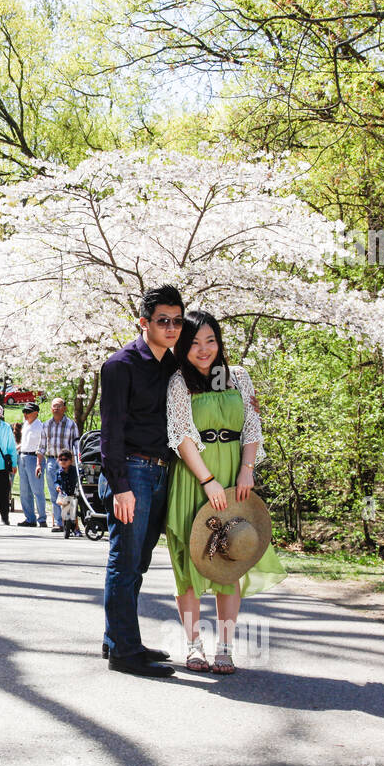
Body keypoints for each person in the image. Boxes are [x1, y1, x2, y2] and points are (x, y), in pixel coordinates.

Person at [165, 310, 285, 675]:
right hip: (195, 477)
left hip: (235, 476)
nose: (204, 350)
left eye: (210, 341)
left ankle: (226, 648)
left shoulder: (239, 378)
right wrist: (207, 480)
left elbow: (252, 427)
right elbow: (182, 436)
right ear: (183, 346)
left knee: (229, 563)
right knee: (189, 565)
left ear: (219, 342)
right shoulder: (178, 382)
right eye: (195, 343)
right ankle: (193, 646)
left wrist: (246, 471)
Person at [97, 285, 184, 678]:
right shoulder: (121, 365)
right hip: (130, 472)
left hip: (161, 471)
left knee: (139, 562)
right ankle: (124, 652)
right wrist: (120, 487)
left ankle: (119, 637)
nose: (171, 328)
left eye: (177, 321)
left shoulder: (171, 365)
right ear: (143, 322)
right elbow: (110, 431)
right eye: (162, 321)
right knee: (125, 562)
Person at [43, 397, 82, 532]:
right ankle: (60, 523)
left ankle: (69, 523)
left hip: (66, 463)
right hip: (51, 461)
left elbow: (76, 445)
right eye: (54, 406)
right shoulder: (46, 424)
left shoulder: (71, 425)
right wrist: (38, 463)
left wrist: (76, 461)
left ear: (64, 408)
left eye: (59, 406)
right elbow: (41, 446)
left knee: (67, 494)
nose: (56, 408)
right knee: (55, 492)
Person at [16, 402, 47, 528]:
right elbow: (24, 443)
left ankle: (42, 518)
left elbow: (43, 445)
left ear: (35, 413)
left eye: (27, 412)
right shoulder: (26, 425)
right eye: (24, 411)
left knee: (37, 490)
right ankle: (30, 518)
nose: (25, 414)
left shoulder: (40, 426)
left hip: (34, 458)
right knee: (24, 491)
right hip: (23, 456)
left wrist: (39, 462)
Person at [55, 450, 81, 539]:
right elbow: (56, 482)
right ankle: (65, 527)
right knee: (64, 511)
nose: (63, 461)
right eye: (60, 459)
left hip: (73, 494)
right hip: (64, 494)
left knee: (74, 511)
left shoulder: (74, 470)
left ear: (70, 460)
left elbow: (79, 475)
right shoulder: (59, 472)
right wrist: (57, 487)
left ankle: (76, 528)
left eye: (65, 459)